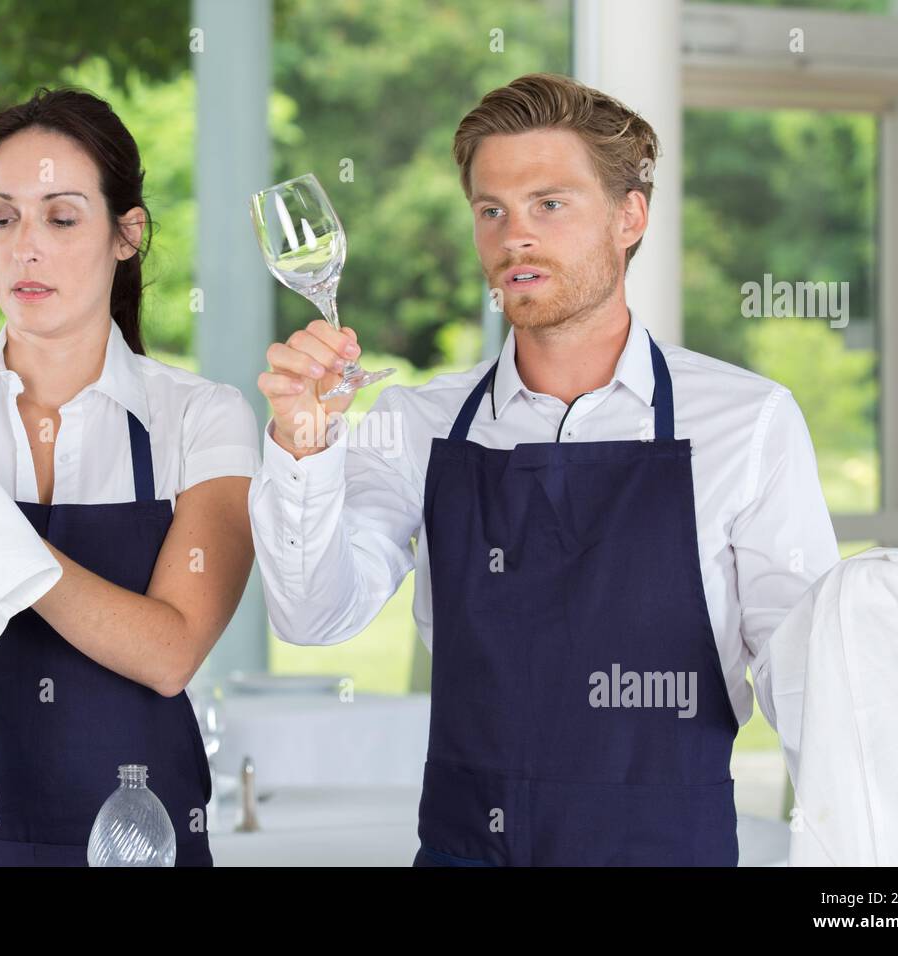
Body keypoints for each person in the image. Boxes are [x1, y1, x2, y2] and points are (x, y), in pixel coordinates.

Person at [248, 72, 839, 866]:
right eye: (491, 211)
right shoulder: (416, 423)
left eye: (549, 204)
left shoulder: (747, 421)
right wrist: (302, 447)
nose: (514, 236)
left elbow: (807, 682)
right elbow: (312, 617)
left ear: (630, 216)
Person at [0, 87, 259, 866]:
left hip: (130, 839)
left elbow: (169, 653)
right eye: (2, 217)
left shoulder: (201, 420)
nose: (25, 245)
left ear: (127, 234)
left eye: (61, 217)